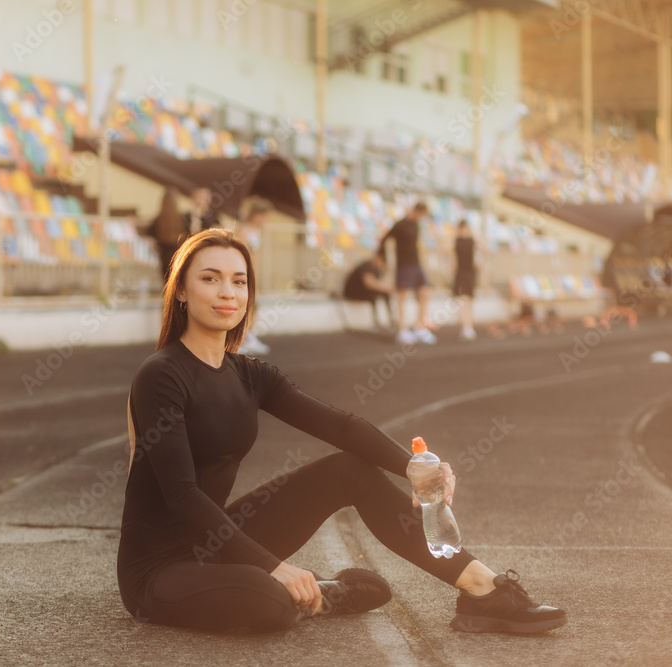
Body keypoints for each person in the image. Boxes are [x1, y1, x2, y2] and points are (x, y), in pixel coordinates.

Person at [117, 228, 567, 634]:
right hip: (158, 570)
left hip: (215, 541)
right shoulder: (162, 375)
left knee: (350, 470)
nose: (227, 292)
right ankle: (317, 593)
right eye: (210, 278)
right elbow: (181, 494)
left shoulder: (249, 374)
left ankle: (482, 588)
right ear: (181, 290)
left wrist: (412, 467)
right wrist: (275, 567)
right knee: (269, 602)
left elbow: (341, 426)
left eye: (239, 281)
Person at [379, 202, 436, 346]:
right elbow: (385, 239)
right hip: (403, 265)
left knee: (424, 292)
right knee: (402, 297)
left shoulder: (416, 225)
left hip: (416, 264)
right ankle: (402, 330)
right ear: (417, 211)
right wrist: (383, 259)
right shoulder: (400, 225)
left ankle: (419, 327)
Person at [236, 198, 271, 355]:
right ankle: (240, 339)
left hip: (251, 274)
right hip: (245, 274)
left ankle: (250, 337)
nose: (265, 220)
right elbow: (244, 255)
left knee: (254, 305)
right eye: (264, 216)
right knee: (246, 306)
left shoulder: (256, 231)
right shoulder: (244, 232)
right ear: (256, 215)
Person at [342, 253, 396, 330]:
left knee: (385, 293)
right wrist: (388, 288)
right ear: (379, 258)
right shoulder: (368, 265)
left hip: (362, 292)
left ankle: (391, 320)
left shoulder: (376, 269)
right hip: (352, 293)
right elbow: (369, 283)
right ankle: (375, 321)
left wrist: (388, 289)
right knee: (374, 293)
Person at [145, 188, 188, 284]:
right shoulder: (182, 219)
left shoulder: (158, 220)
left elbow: (151, 237)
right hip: (179, 255)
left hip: (164, 257)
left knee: (167, 284)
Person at [453, 219, 478, 341]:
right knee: (463, 299)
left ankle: (469, 326)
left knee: (469, 299)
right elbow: (446, 250)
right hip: (461, 273)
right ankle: (465, 326)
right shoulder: (456, 241)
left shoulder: (472, 241)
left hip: (469, 273)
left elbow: (483, 250)